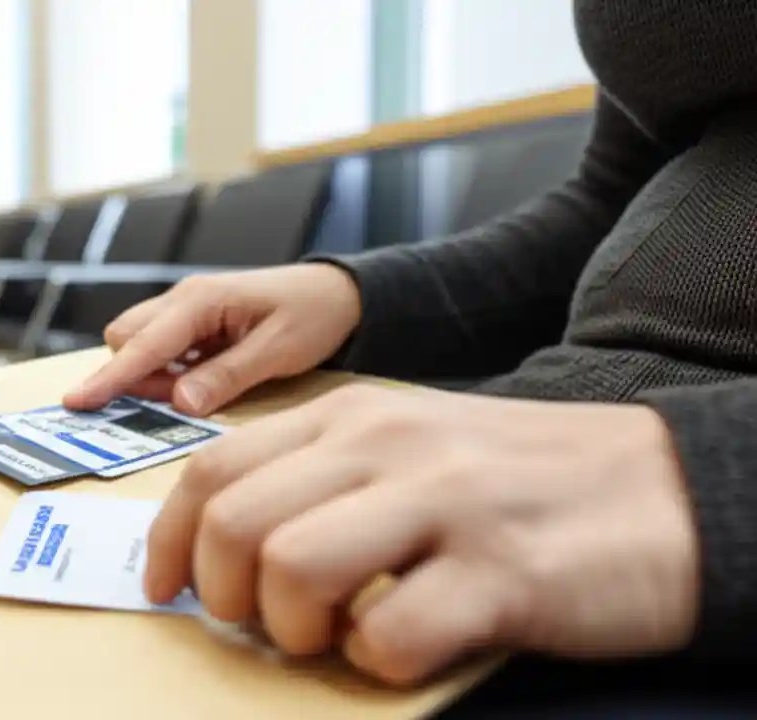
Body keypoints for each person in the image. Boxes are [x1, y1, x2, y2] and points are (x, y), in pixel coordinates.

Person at [63, 0, 757, 693]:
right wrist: (357, 296)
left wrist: (698, 479)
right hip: (529, 475)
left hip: (670, 563)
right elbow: (614, 202)